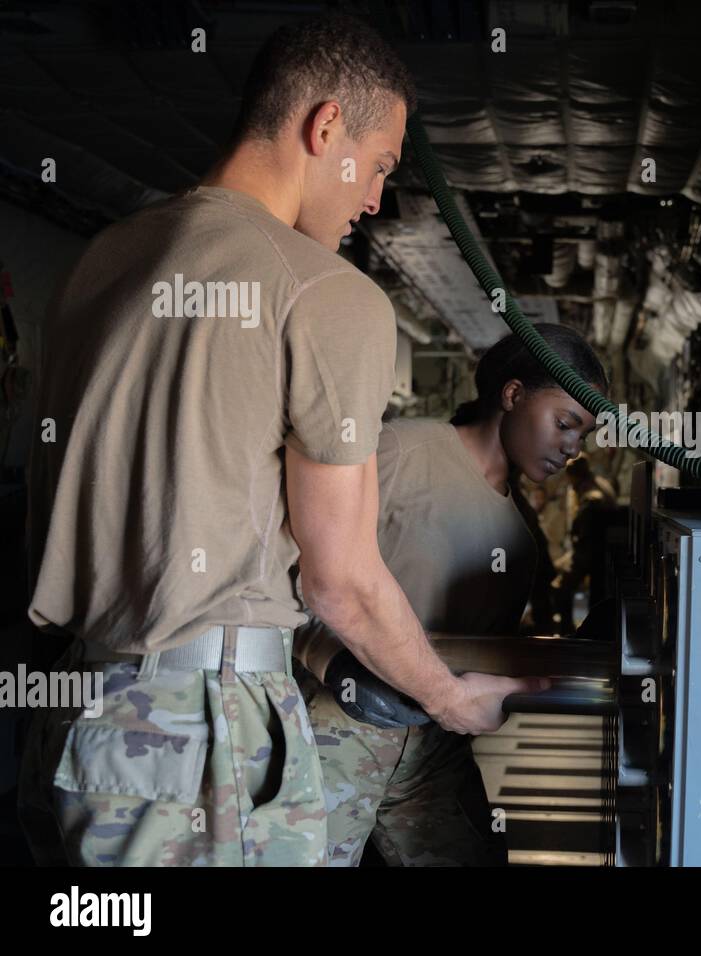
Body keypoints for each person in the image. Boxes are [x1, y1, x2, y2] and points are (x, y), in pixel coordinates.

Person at [19, 13, 530, 867]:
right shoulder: (327, 294)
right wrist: (450, 697)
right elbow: (342, 581)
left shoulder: (98, 261)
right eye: (377, 166)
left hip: (72, 717)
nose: (373, 199)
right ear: (325, 125)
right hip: (201, 739)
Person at [294, 323, 607, 865]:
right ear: (512, 396)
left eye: (583, 435)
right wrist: (333, 664)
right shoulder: (399, 451)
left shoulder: (521, 541)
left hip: (433, 744)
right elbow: (290, 569)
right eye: (565, 424)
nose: (573, 448)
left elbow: (474, 660)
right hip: (336, 724)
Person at [552, 455, 619, 633]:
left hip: (594, 554)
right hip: (603, 554)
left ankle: (567, 632)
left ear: (574, 476)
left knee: (560, 588)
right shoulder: (600, 484)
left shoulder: (591, 499)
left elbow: (585, 542)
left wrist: (570, 568)